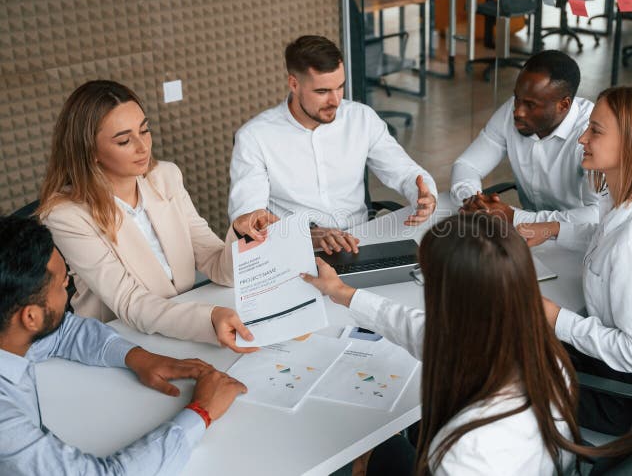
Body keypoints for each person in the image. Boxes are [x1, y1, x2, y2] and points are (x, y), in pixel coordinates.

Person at [302, 214, 632, 475]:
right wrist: (343, 294)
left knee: (369, 451)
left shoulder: (463, 449)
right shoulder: (547, 358)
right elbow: (424, 332)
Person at [0, 215, 247, 475]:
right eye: (64, 284)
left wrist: (136, 356)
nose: (68, 285)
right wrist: (201, 411)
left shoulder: (9, 330)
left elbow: (65, 332)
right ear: (30, 317)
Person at [38, 80, 269, 351]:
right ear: (91, 151)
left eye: (144, 130)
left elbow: (216, 264)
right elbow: (129, 302)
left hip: (183, 322)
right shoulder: (65, 215)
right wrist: (207, 318)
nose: (143, 147)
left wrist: (241, 235)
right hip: (120, 341)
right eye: (124, 140)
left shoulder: (166, 177)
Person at [517, 84, 632, 435]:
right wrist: (552, 229)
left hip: (622, 395)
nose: (582, 138)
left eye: (595, 130)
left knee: (499, 375)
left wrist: (554, 317)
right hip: (619, 371)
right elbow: (603, 235)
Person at [228, 35, 438, 255]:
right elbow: (248, 219)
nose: (335, 100)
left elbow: (405, 173)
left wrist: (424, 197)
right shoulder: (255, 137)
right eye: (322, 91)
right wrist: (307, 236)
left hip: (360, 241)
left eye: (340, 87)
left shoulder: (361, 119)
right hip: (295, 252)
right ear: (294, 84)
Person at [452, 50, 599, 226]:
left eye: (530, 105)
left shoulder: (592, 134)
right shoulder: (511, 112)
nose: (518, 112)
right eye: (517, 98)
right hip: (525, 231)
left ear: (563, 105)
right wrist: (472, 200)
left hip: (574, 237)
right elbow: (468, 165)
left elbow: (597, 214)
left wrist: (516, 217)